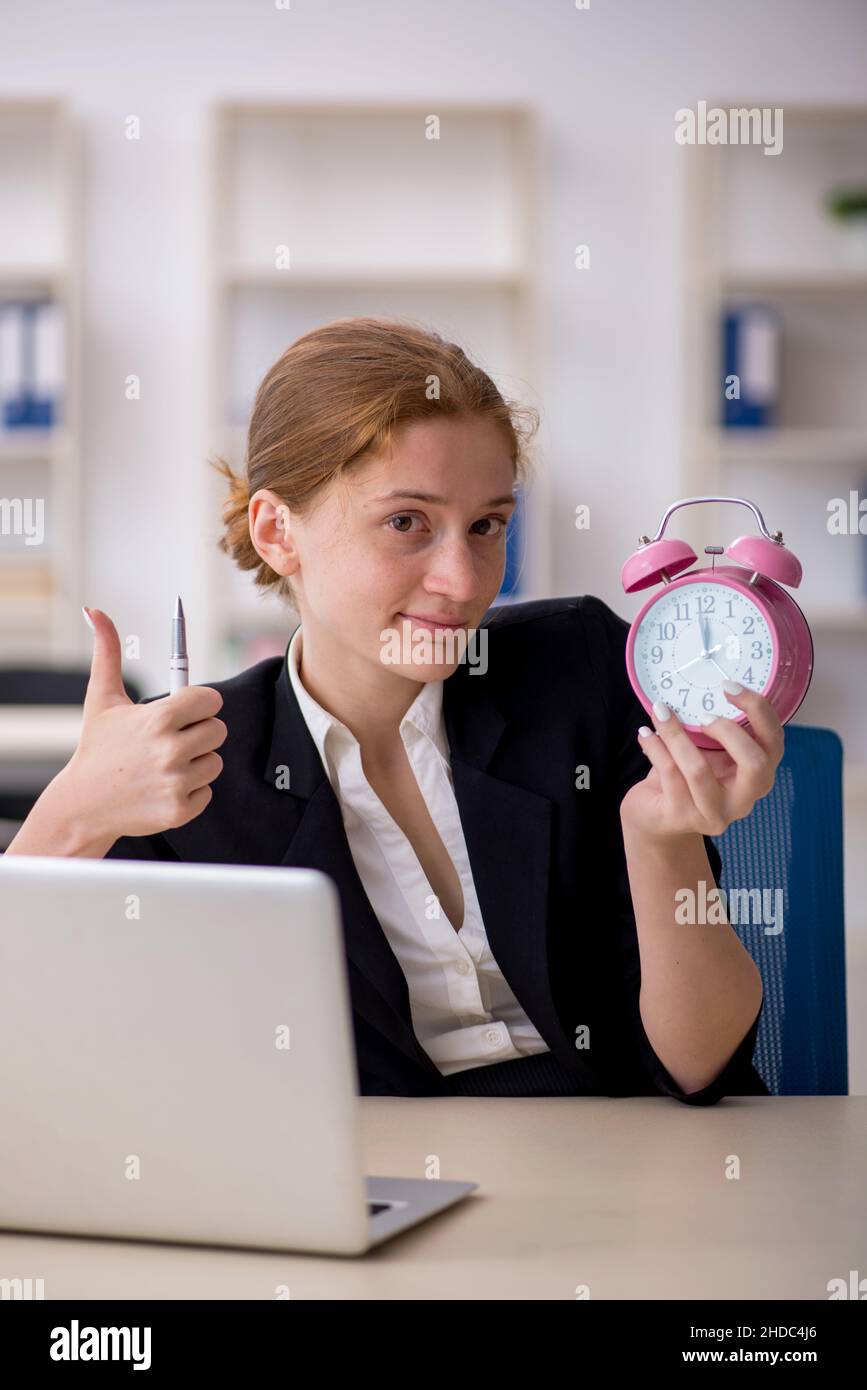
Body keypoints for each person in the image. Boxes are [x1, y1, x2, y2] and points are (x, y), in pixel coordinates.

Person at [7, 316, 778, 1103]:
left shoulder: (581, 673)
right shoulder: (193, 771)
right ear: (278, 532)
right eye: (406, 523)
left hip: (627, 1175)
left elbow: (697, 1065)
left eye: (486, 526)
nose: (462, 578)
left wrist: (662, 841)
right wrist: (72, 813)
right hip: (369, 1190)